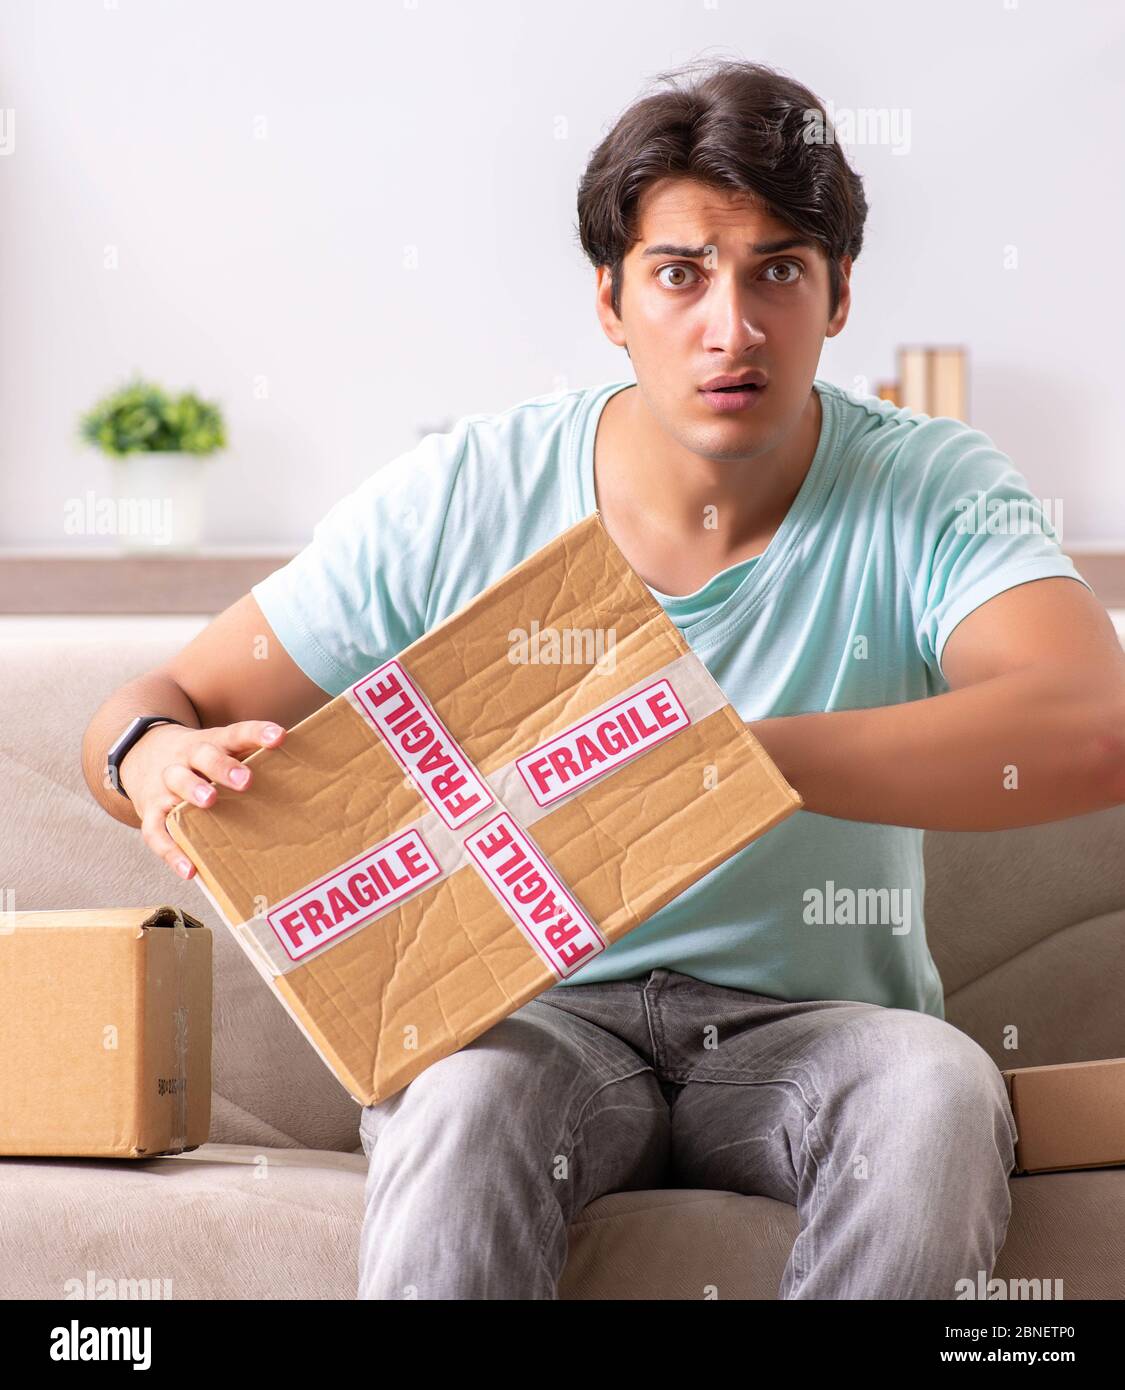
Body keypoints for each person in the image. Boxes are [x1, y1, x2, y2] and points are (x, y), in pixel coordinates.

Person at [82, 58, 1125, 1300]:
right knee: (462, 1093)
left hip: (816, 1031)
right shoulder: (470, 491)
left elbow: (1091, 726)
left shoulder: (930, 484)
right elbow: (150, 709)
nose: (729, 326)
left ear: (839, 296)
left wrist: (726, 760)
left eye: (778, 270)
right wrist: (147, 756)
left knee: (937, 1087)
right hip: (536, 1016)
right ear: (611, 302)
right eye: (680, 274)